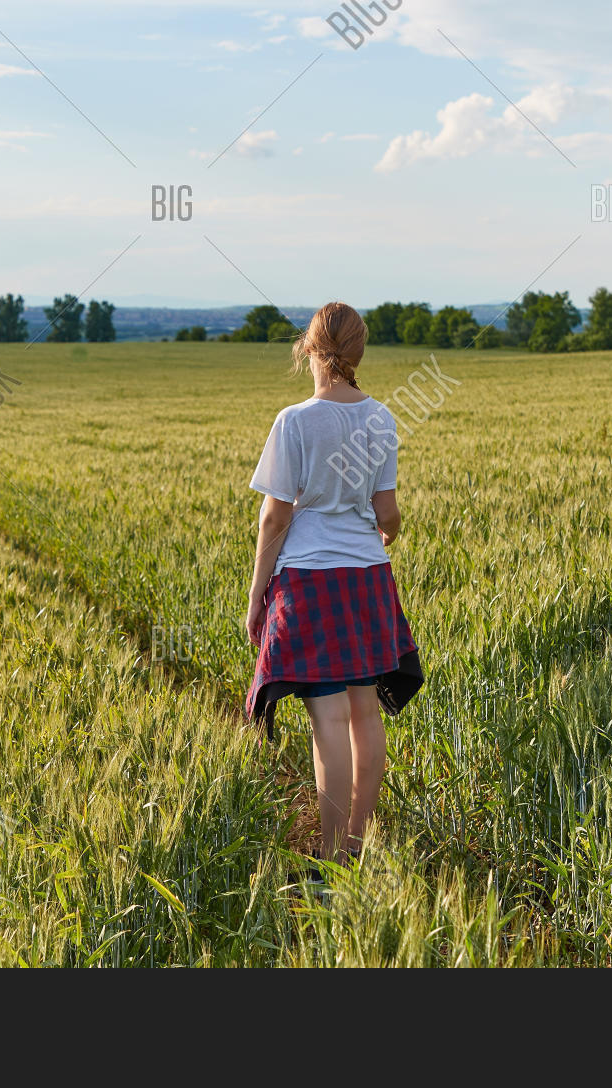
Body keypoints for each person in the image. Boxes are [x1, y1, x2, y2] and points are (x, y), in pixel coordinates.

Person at [244, 301, 422, 865]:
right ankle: (356, 846)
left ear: (309, 350)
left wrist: (256, 596)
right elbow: (388, 511)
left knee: (327, 723)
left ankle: (328, 859)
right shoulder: (382, 417)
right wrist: (383, 535)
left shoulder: (294, 421)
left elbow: (274, 518)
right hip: (367, 577)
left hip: (309, 581)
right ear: (358, 353)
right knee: (365, 716)